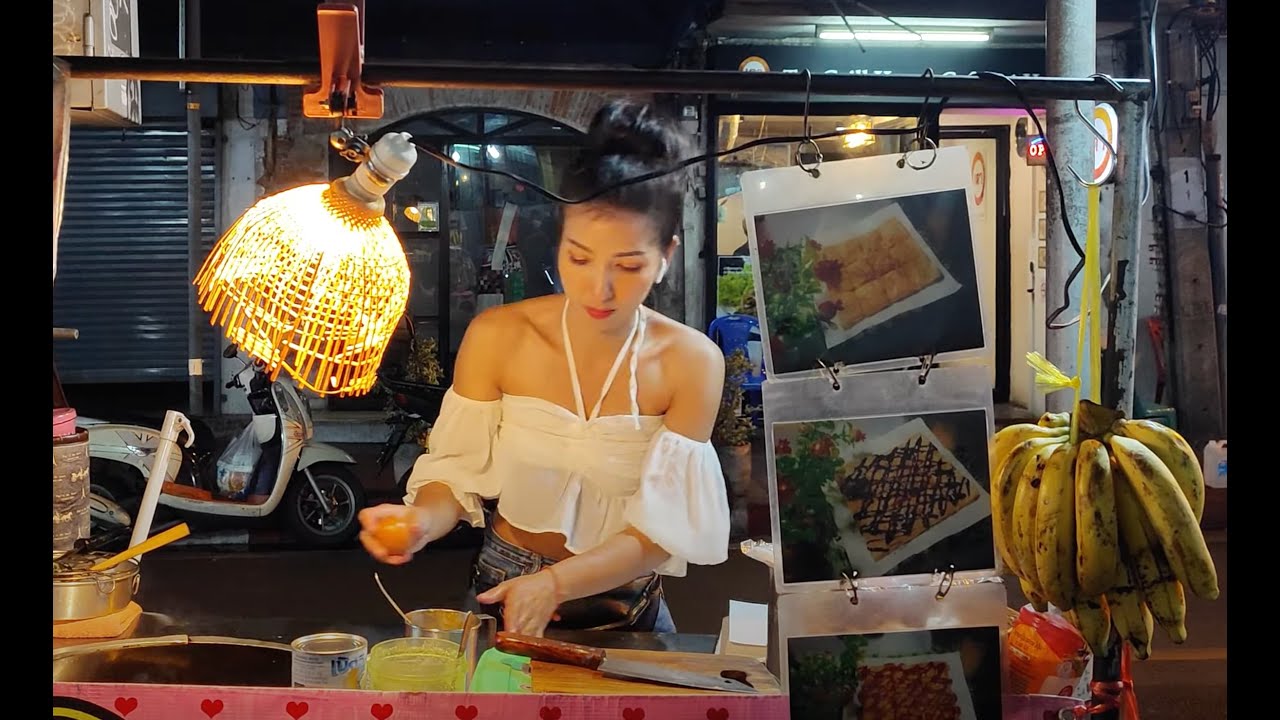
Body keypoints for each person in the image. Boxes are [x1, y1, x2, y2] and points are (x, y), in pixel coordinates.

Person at [359, 99, 731, 637]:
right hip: (504, 581)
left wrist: (557, 583)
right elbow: (454, 474)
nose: (599, 289)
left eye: (628, 266)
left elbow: (660, 532)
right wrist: (420, 522)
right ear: (559, 239)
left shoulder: (691, 361)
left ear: (667, 254)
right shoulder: (499, 337)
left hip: (625, 603)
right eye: (579, 258)